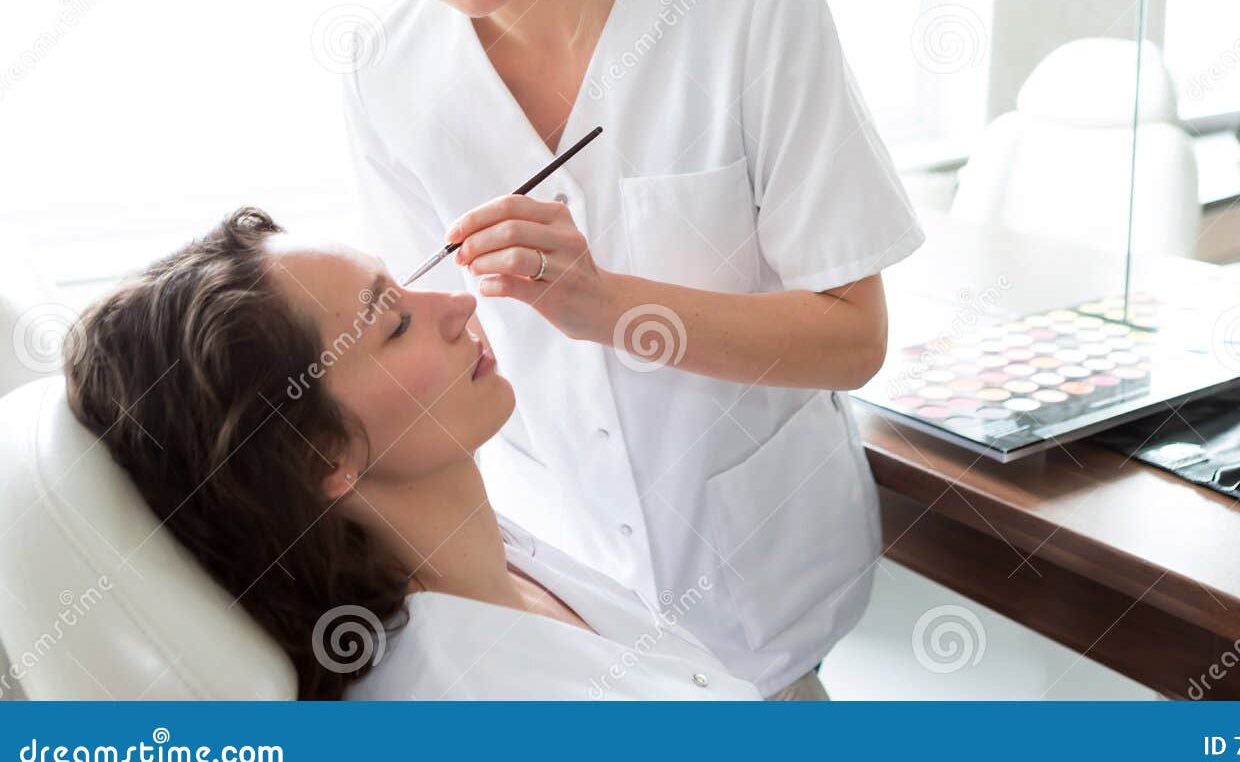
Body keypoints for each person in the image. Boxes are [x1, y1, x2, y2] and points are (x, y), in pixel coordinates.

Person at [270, 0, 923, 698]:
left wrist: (604, 303)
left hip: (764, 575)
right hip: (569, 593)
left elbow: (853, 337)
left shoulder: (744, 1)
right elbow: (431, 368)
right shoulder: (387, 79)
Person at [64, 207, 760, 701]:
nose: (456, 304)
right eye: (395, 323)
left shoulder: (490, 557)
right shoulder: (469, 698)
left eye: (406, 283)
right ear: (322, 455)